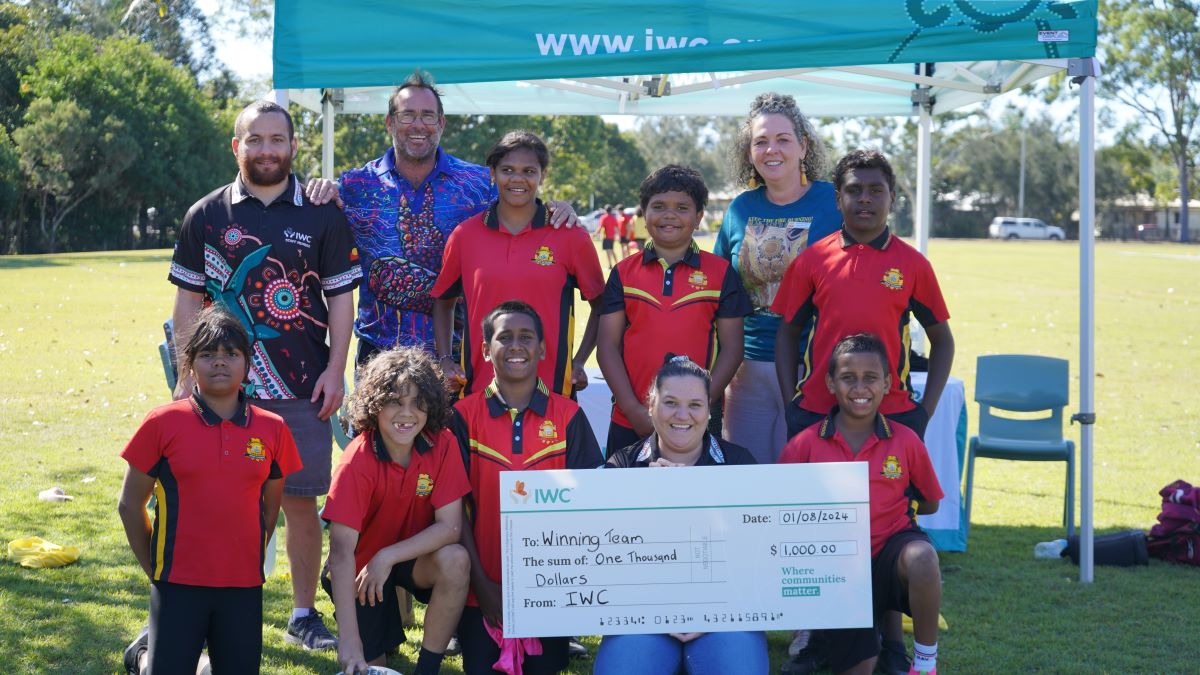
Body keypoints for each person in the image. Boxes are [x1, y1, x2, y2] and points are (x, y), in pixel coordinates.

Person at [168, 100, 360, 650]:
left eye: (277, 139)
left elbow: (342, 298)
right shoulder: (205, 214)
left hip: (302, 388)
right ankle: (215, 610)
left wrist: (335, 370)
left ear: (294, 146)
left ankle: (302, 614)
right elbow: (186, 303)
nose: (267, 150)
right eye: (256, 139)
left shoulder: (323, 211)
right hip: (222, 389)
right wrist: (187, 375)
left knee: (301, 501)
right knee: (217, 502)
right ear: (237, 146)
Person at [771, 150, 954, 674]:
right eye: (855, 190)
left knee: (887, 527)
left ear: (891, 198)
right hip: (819, 414)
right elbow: (787, 331)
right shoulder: (814, 258)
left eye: (876, 190)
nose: (865, 200)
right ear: (839, 198)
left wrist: (923, 408)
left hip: (889, 416)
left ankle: (891, 643)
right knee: (819, 531)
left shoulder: (912, 264)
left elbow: (941, 340)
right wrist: (792, 402)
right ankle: (812, 634)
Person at [305, 71, 578, 366]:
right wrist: (321, 191)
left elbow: (523, 211)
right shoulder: (356, 186)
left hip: (461, 353)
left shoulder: (478, 184)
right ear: (390, 123)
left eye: (428, 115)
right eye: (408, 115)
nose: (418, 125)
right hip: (379, 353)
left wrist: (557, 209)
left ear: (442, 123)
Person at [118, 306, 302, 673]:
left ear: (247, 364)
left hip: (242, 587)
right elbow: (129, 505)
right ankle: (143, 653)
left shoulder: (273, 429)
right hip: (177, 585)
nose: (220, 363)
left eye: (231, 354)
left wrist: (239, 562)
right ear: (189, 364)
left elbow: (270, 510)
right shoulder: (162, 422)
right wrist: (157, 570)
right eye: (208, 354)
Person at [450, 301, 604, 674]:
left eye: (526, 337)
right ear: (486, 350)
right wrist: (482, 586)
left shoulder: (568, 415)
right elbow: (453, 511)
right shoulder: (463, 416)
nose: (516, 346)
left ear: (543, 349)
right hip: (480, 594)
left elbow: (593, 503)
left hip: (550, 594)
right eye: (504, 338)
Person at [778, 334, 943, 675]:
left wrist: (889, 517)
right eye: (848, 378)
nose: (859, 388)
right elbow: (780, 511)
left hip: (890, 554)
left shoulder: (906, 440)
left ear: (887, 383)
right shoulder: (804, 445)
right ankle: (825, 639)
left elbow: (928, 503)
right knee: (861, 667)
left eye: (870, 378)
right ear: (830, 382)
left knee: (923, 557)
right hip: (836, 568)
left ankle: (925, 665)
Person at [596, 356, 767, 675]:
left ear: (709, 409)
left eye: (695, 404)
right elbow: (607, 560)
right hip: (642, 614)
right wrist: (648, 500)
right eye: (670, 403)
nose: (682, 415)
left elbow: (757, 556)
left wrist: (693, 498)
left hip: (725, 613)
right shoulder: (623, 466)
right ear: (651, 404)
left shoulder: (739, 464)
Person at [321, 347, 472, 675]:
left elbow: (450, 528)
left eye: (418, 403)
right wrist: (349, 640)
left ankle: (427, 669)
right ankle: (376, 633)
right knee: (372, 665)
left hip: (411, 558)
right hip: (359, 570)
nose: (407, 414)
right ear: (374, 405)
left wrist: (387, 556)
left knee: (456, 560)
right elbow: (342, 552)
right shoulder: (355, 461)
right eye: (395, 401)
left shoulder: (442, 443)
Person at [713, 92, 841, 465]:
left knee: (807, 481)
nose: (772, 149)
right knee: (749, 480)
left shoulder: (834, 203)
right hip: (746, 371)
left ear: (803, 146)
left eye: (783, 139)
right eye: (761, 141)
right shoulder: (740, 209)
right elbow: (720, 291)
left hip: (813, 369)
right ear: (749, 152)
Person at [431, 130, 604, 397]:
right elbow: (443, 302)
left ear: (542, 176)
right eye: (507, 169)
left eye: (529, 171)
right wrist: (444, 360)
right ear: (492, 173)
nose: (517, 179)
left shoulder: (570, 235)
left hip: (552, 396)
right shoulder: (465, 236)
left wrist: (579, 361)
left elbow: (602, 305)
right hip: (480, 395)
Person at [597, 164, 751, 452]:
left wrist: (700, 404)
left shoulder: (721, 273)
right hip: (630, 418)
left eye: (682, 207)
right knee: (626, 495)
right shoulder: (623, 272)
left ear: (699, 217)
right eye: (658, 206)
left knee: (697, 496)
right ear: (644, 213)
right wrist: (633, 409)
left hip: (695, 420)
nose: (670, 215)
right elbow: (607, 345)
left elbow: (732, 348)